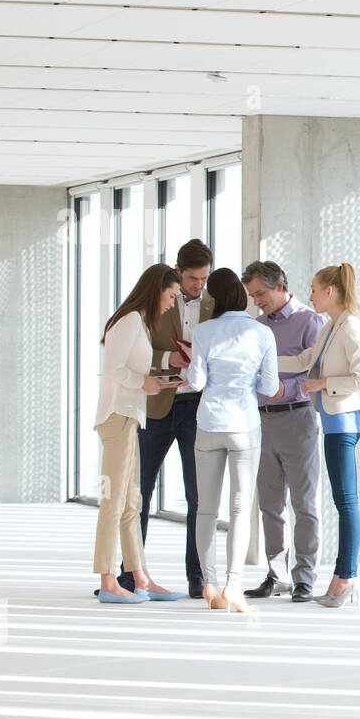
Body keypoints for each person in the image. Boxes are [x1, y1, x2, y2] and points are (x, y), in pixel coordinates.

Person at [119, 239, 215, 599]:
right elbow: (136, 349)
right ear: (178, 270)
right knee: (139, 493)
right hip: (156, 405)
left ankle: (197, 576)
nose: (198, 286)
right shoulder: (156, 302)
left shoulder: (213, 304)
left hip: (196, 408)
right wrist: (167, 360)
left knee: (198, 496)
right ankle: (131, 575)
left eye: (203, 279)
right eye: (192, 278)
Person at [185, 268, 282, 613]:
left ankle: (210, 585)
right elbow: (270, 388)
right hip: (244, 425)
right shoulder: (261, 332)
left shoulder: (204, 330)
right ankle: (234, 587)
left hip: (209, 423)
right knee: (240, 509)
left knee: (205, 509)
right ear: (242, 295)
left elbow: (196, 383)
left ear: (212, 298)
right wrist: (248, 381)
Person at [277, 263, 360, 608]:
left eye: (315, 289)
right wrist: (265, 360)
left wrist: (322, 384)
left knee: (347, 503)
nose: (311, 295)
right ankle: (340, 579)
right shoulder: (331, 327)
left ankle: (346, 577)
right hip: (333, 421)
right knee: (342, 502)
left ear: (330, 291)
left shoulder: (350, 328)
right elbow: (304, 359)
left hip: (344, 421)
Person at [93, 265, 187, 604]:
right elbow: (111, 368)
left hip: (130, 417)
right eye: (172, 296)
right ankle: (108, 580)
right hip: (117, 417)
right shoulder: (131, 319)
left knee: (133, 502)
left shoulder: (140, 324)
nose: (172, 303)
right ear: (156, 289)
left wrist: (155, 380)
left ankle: (140, 576)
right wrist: (143, 382)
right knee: (114, 502)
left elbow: (129, 369)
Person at [241, 261, 325, 603]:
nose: (257, 301)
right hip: (262, 422)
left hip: (298, 419)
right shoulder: (256, 326)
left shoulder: (310, 320)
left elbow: (314, 372)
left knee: (304, 504)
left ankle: (304, 576)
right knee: (270, 505)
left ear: (280, 286)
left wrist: (283, 390)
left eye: (261, 293)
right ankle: (277, 576)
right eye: (252, 295)